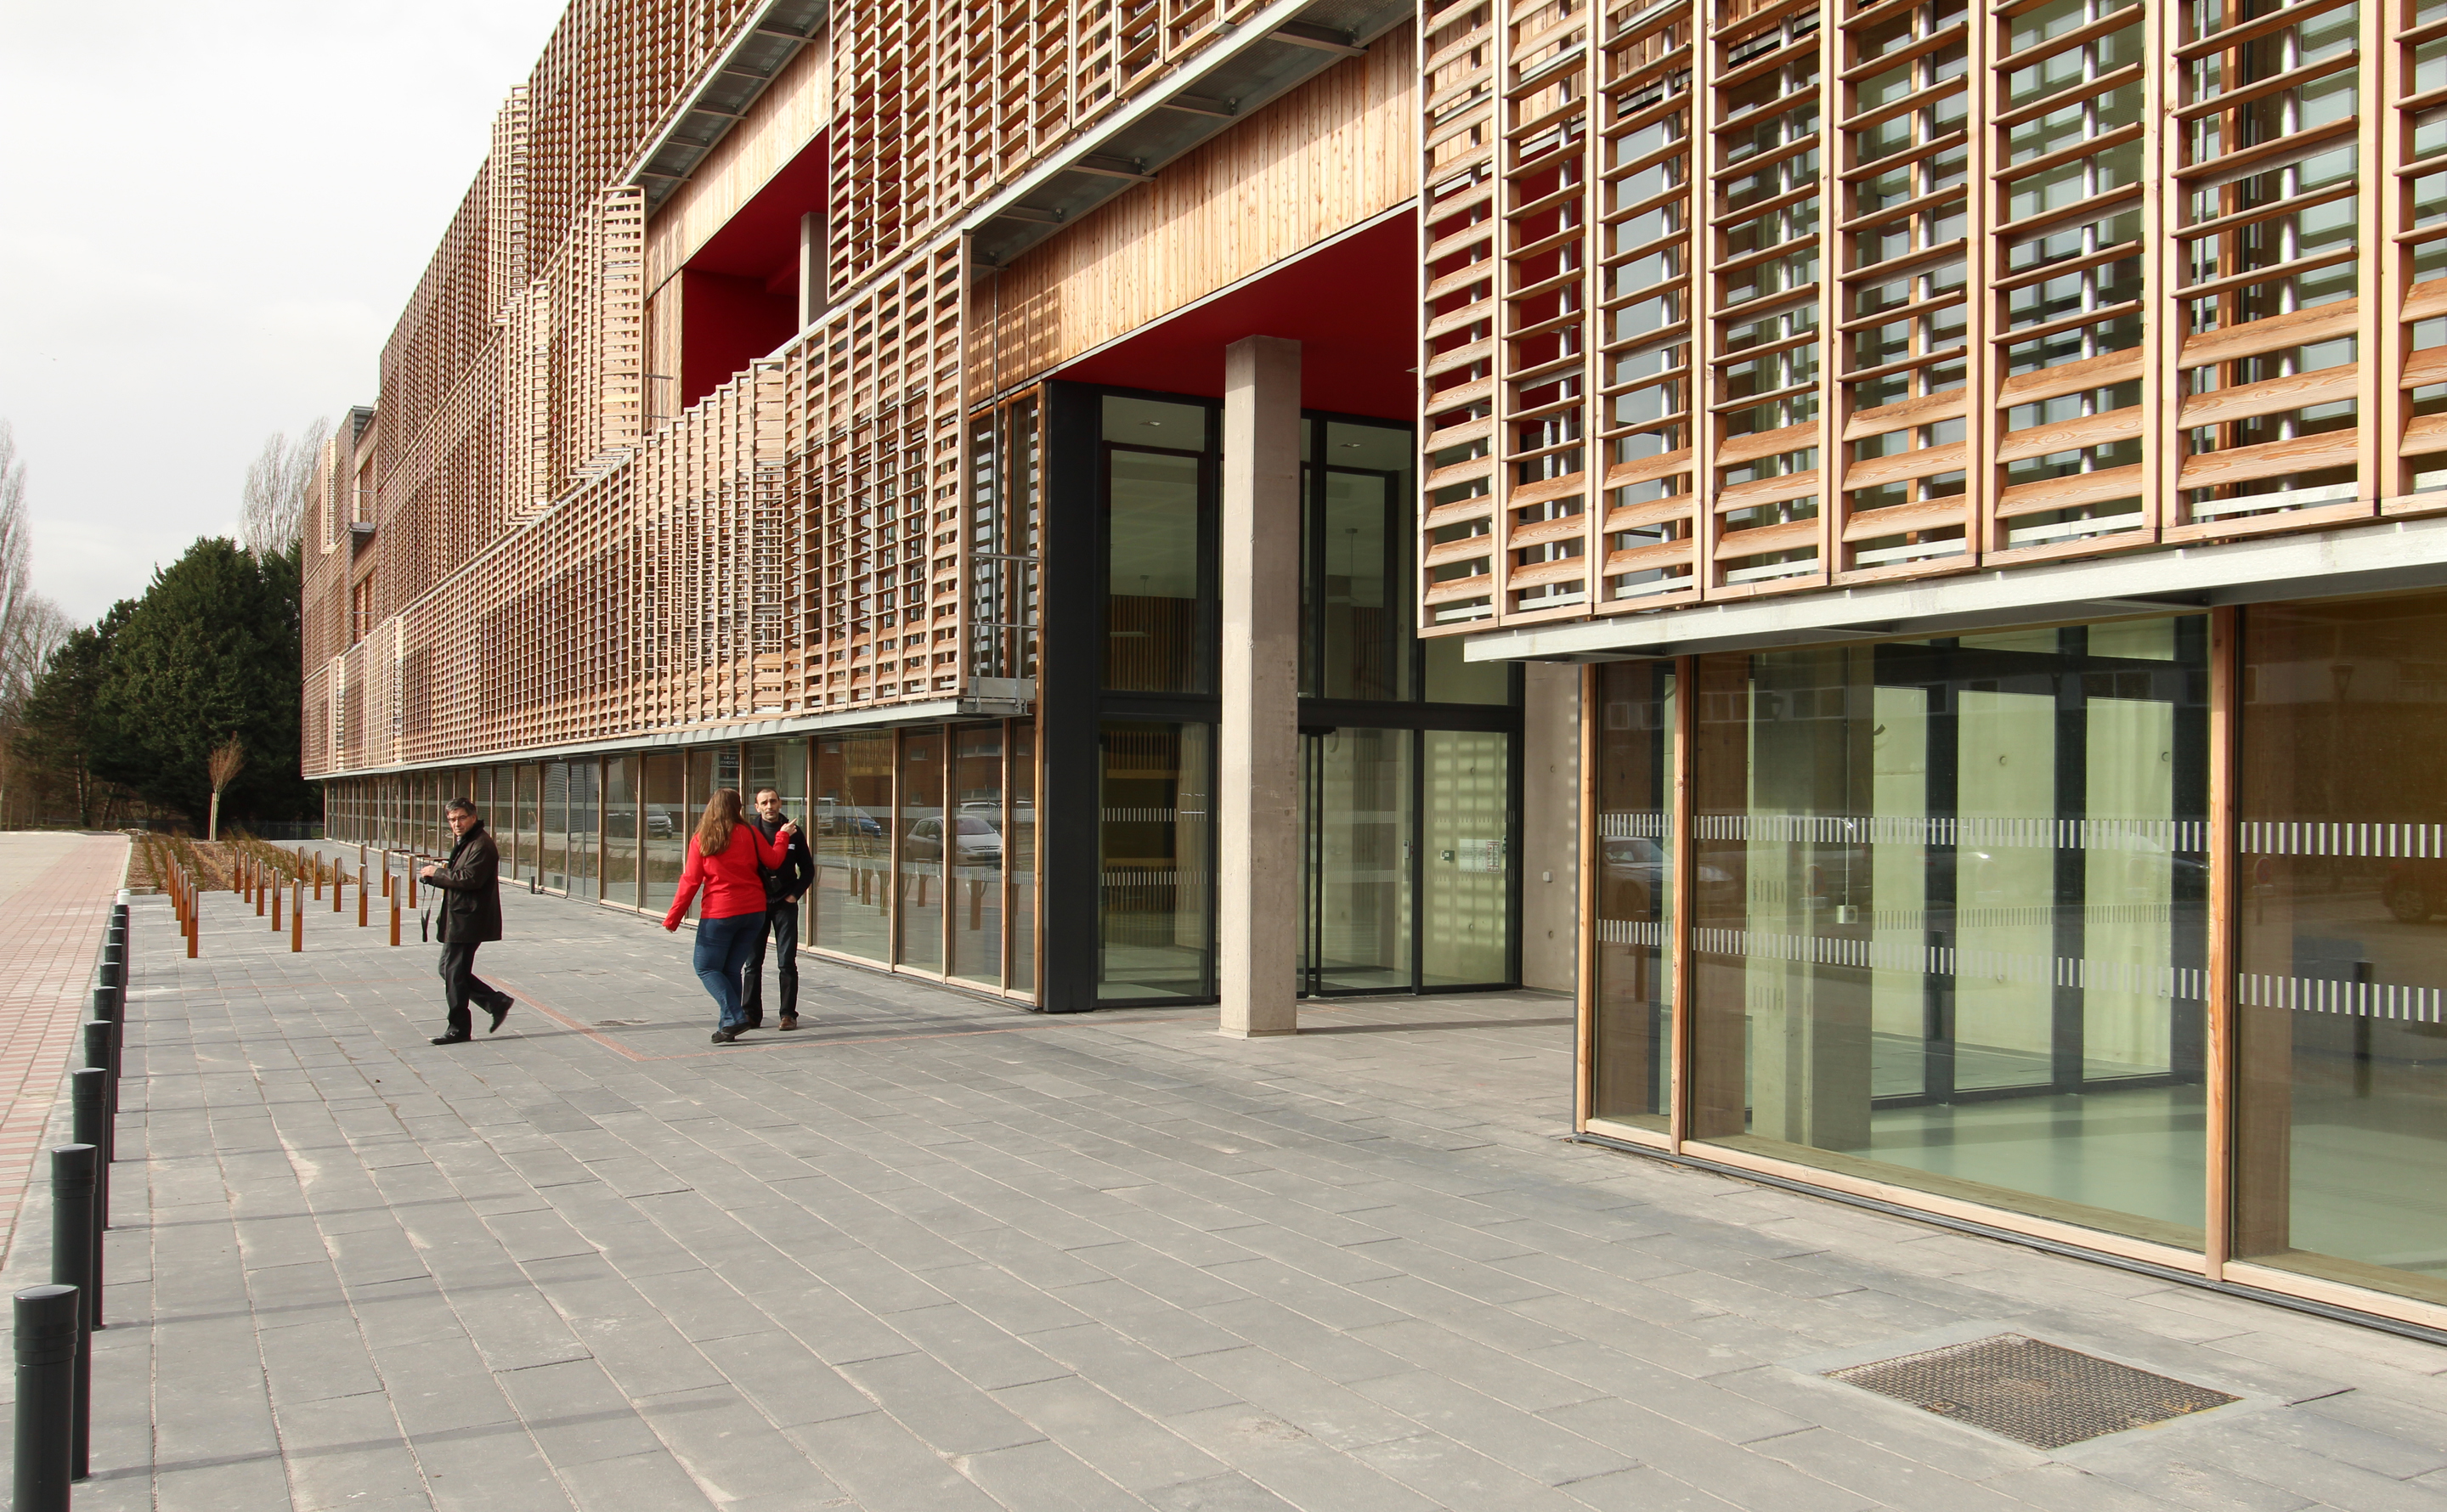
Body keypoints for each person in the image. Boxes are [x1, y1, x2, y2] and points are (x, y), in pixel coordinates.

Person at [664, 787, 797, 1043]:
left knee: (705, 967)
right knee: (730, 969)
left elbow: (691, 880)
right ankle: (728, 1026)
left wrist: (674, 917)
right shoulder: (749, 831)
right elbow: (773, 861)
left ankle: (736, 1016)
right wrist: (781, 837)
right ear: (738, 807)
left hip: (720, 912)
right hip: (754, 911)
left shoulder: (703, 837)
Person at [422, 798, 511, 1045]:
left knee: (454, 972)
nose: (456, 824)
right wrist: (436, 877)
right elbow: (461, 876)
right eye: (452, 820)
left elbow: (470, 879)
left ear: (473, 816)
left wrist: (437, 873)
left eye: (461, 818)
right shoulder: (468, 842)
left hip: (469, 919)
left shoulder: (481, 844)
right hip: (462, 917)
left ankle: (459, 1027)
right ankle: (495, 1002)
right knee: (450, 970)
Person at [741, 786, 816, 1030]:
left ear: (780, 803)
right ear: (757, 807)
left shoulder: (794, 833)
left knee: (787, 962)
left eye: (773, 801)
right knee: (752, 962)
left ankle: (788, 1015)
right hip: (757, 904)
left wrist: (794, 895)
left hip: (785, 904)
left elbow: (808, 870)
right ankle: (751, 1014)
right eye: (764, 803)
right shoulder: (750, 833)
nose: (769, 806)